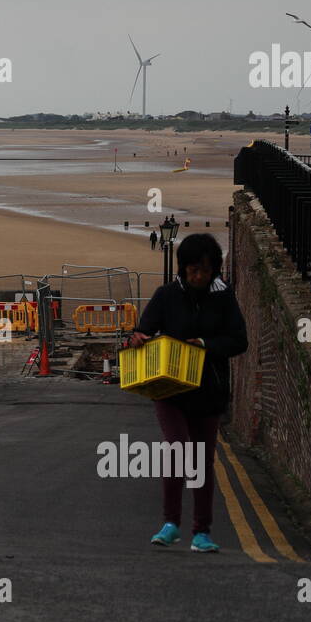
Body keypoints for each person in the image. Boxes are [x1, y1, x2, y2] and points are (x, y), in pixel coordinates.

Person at [126, 233, 248, 553]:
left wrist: (206, 345)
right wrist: (136, 337)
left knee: (202, 462)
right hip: (170, 388)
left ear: (214, 271)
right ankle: (170, 523)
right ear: (183, 268)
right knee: (179, 449)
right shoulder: (166, 295)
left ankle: (201, 532)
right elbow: (143, 329)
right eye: (193, 270)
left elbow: (239, 341)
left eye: (205, 271)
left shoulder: (224, 298)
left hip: (209, 390)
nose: (198, 276)